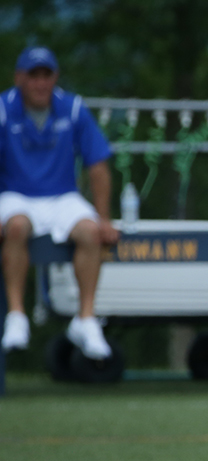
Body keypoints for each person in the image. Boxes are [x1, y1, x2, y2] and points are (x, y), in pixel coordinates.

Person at [0, 46, 119, 359]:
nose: (40, 83)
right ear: (19, 78)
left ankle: (86, 319)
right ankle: (16, 316)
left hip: (63, 195)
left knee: (92, 232)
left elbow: (98, 165)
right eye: (33, 76)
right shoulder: (2, 108)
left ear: (55, 78)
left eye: (46, 75)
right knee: (16, 226)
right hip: (15, 195)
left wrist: (104, 218)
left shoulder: (74, 108)